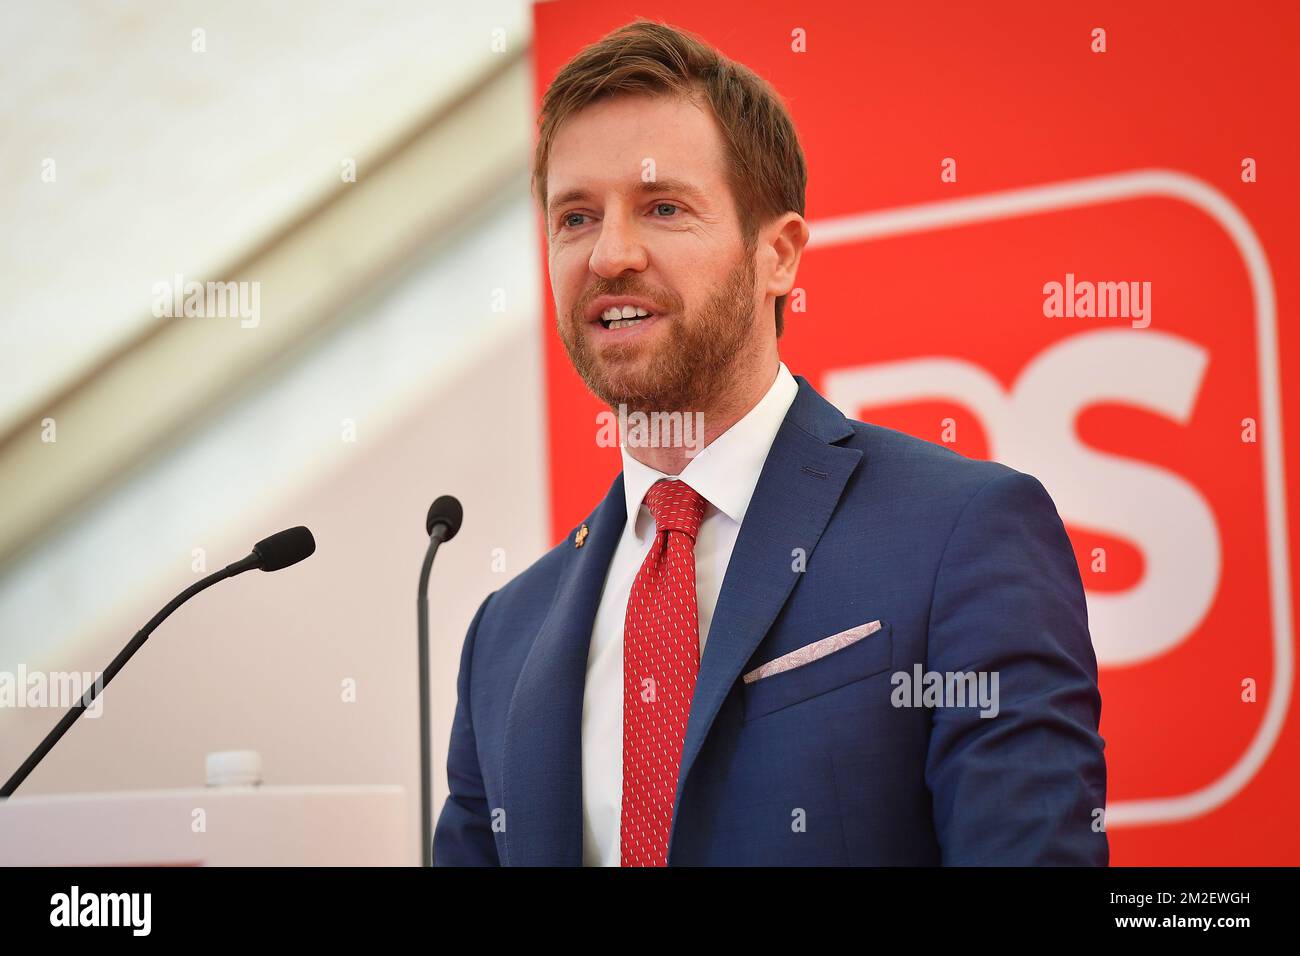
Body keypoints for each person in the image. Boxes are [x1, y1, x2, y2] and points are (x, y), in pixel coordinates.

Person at [433, 19, 1107, 866]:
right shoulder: (505, 635)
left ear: (777, 254)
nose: (609, 254)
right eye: (575, 217)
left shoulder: (961, 533)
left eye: (662, 207)